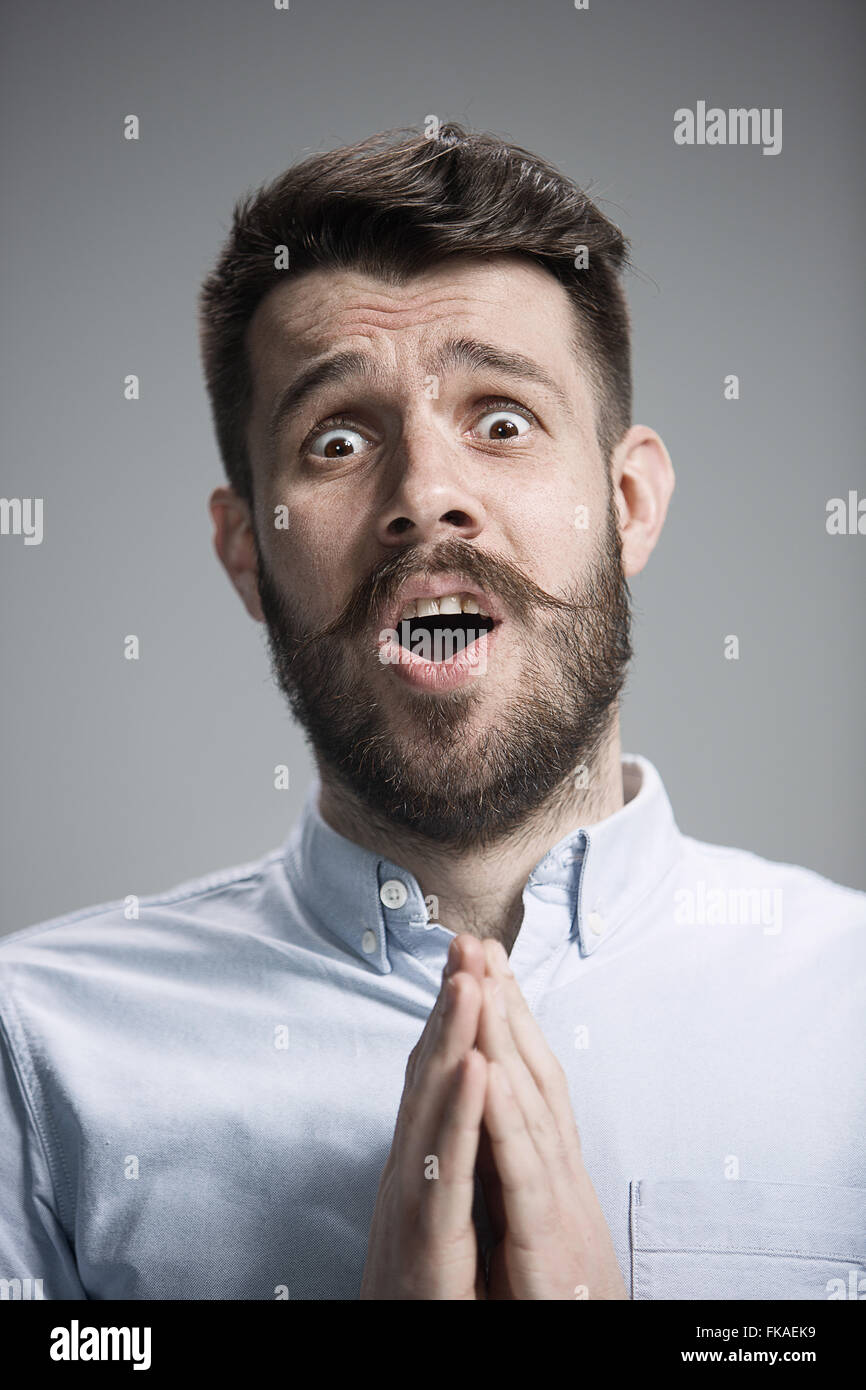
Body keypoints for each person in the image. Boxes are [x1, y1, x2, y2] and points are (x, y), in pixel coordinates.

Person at [1, 125, 863, 1302]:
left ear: (625, 503)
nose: (425, 497)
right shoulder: (34, 1049)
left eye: (500, 420)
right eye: (338, 439)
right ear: (248, 551)